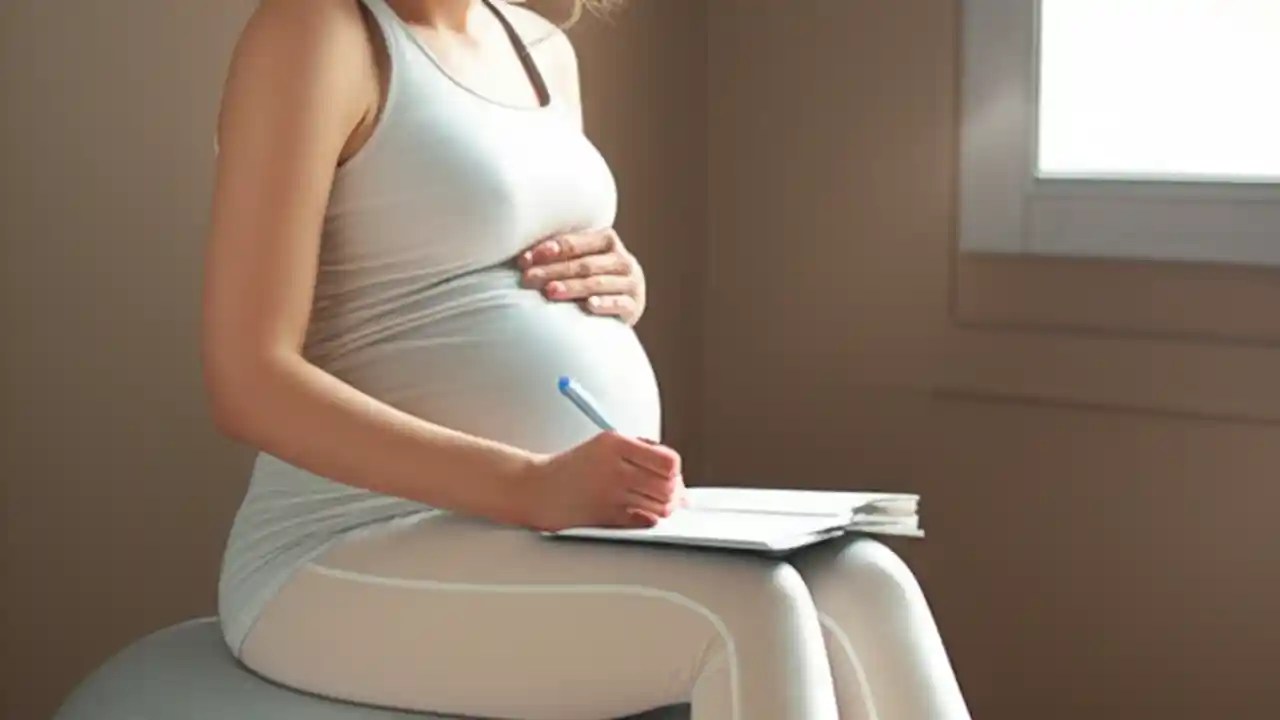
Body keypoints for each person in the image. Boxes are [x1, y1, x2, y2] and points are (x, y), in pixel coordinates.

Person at [201, 0, 972, 718]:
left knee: (868, 581)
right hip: (347, 541)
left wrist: (613, 284)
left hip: (551, 528)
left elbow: (470, 257)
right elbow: (248, 380)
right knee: (747, 613)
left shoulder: (539, 50)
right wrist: (527, 485)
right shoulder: (318, 32)